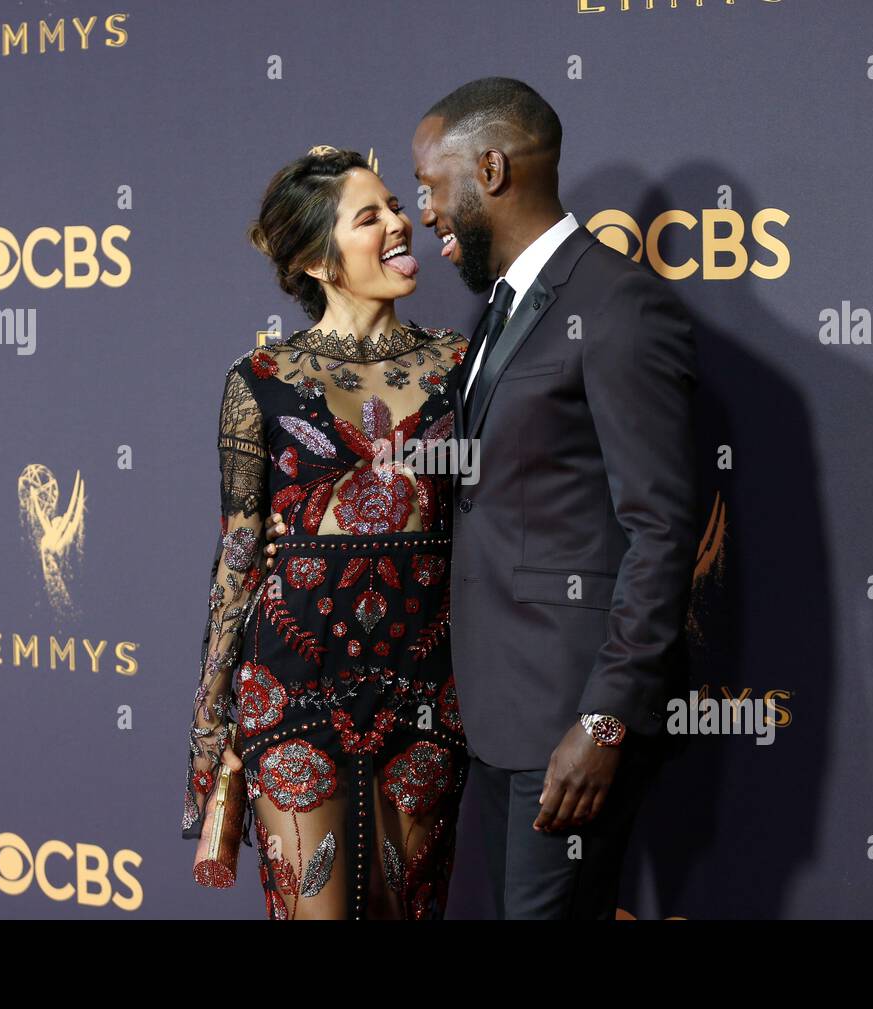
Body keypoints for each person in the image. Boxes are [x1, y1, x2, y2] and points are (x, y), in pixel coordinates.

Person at [264, 78, 700, 919]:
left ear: (490, 169)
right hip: (492, 723)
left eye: (428, 187)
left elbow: (663, 530)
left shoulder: (618, 304)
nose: (420, 214)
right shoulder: (496, 313)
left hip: (572, 727)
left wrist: (605, 720)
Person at [181, 145, 472, 920]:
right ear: (316, 257)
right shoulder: (260, 382)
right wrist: (213, 730)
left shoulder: (461, 368)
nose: (400, 223)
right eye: (369, 216)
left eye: (398, 207)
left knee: (405, 910)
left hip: (426, 691)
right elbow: (238, 559)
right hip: (290, 690)